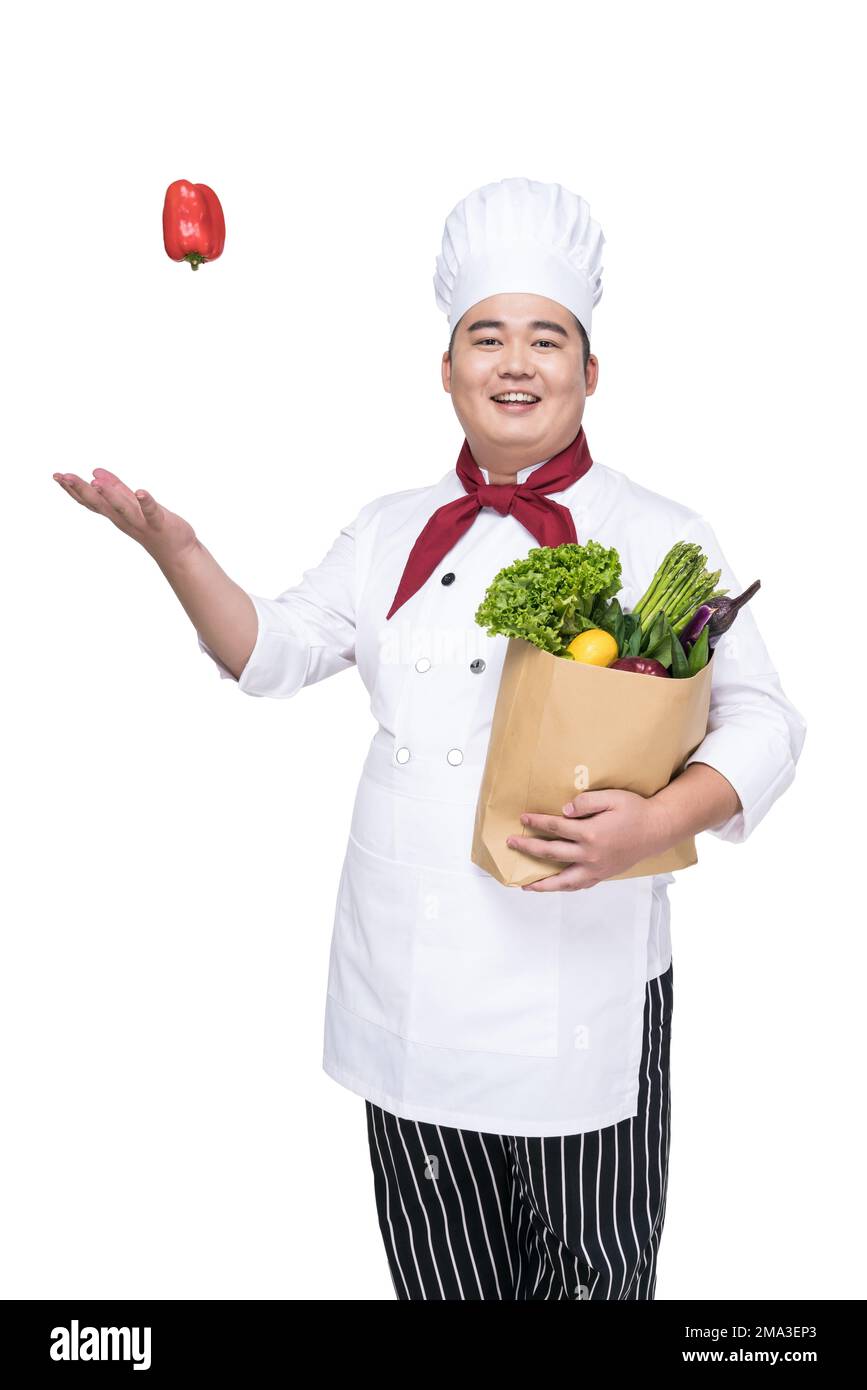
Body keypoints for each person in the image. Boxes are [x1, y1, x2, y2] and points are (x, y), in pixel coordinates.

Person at [53, 177, 807, 1300]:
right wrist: (180, 555)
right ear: (445, 369)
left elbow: (766, 723)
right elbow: (271, 653)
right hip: (409, 992)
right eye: (485, 336)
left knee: (593, 1279)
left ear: (591, 372)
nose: (515, 362)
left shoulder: (658, 531)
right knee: (441, 1283)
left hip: (578, 994)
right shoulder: (389, 528)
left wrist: (658, 820)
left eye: (546, 339)